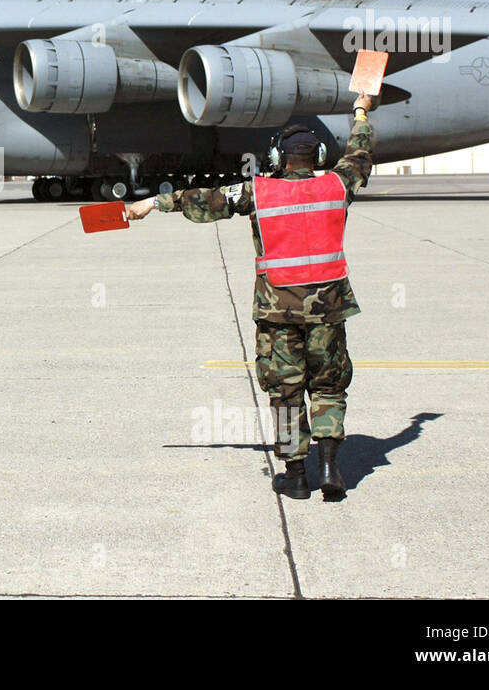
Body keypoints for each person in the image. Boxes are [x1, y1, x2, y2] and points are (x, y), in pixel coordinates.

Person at [127, 95, 376, 501]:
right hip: (328, 308)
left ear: (278, 157)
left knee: (286, 389)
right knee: (329, 386)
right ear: (319, 156)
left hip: (277, 312)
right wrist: (361, 110)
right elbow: (360, 153)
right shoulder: (338, 183)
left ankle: (296, 476)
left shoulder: (257, 192)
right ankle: (330, 467)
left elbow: (206, 200)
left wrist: (154, 203)